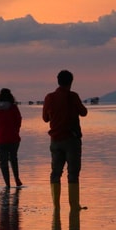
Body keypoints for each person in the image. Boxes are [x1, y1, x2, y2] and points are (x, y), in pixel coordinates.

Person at [42, 70, 88, 211]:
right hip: (71, 141)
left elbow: (45, 119)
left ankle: (56, 207)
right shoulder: (73, 96)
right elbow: (84, 112)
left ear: (58, 81)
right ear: (71, 82)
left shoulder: (49, 97)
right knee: (73, 173)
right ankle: (74, 205)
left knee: (56, 173)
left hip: (55, 141)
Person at [0, 88, 23, 189]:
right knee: (13, 159)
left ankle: (7, 184)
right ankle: (17, 179)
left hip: (1, 139)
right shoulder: (13, 108)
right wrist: (16, 131)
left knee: (3, 162)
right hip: (14, 138)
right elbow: (19, 120)